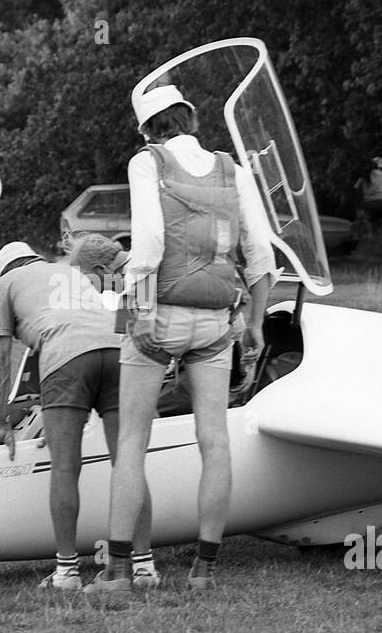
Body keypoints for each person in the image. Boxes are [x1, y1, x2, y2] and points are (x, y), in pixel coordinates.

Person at [85, 84, 274, 600]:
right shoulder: (231, 169)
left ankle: (119, 575)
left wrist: (140, 309)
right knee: (214, 443)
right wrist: (255, 322)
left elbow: (147, 242)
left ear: (147, 128)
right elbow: (260, 253)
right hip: (217, 325)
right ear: (189, 117)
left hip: (159, 316)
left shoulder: (147, 163)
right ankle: (204, 570)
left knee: (131, 444)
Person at [0, 237, 157, 591]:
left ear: (4, 268)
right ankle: (143, 567)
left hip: (66, 360)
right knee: (127, 462)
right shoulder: (69, 271)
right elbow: (141, 285)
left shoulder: (4, 285)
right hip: (116, 350)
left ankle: (67, 572)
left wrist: (2, 421)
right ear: (36, 256)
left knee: (65, 468)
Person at [355, 156, 382, 234]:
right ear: (381, 166)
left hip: (369, 204)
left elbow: (356, 188)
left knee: (371, 222)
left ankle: (371, 236)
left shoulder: (364, 177)